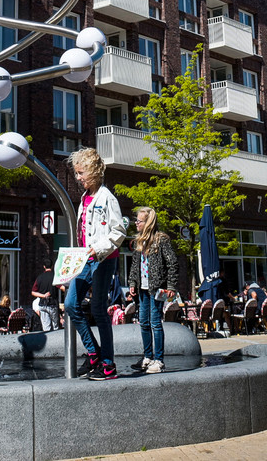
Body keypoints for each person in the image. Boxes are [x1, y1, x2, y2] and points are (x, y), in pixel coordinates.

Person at [66, 148, 128, 381]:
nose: (78, 178)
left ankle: (108, 365)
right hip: (85, 259)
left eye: (81, 173)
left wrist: (98, 249)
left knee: (99, 310)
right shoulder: (84, 199)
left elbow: (119, 231)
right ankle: (94, 353)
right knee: (71, 304)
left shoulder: (107, 197)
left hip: (103, 259)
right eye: (77, 173)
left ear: (93, 171)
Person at [127, 206, 178, 374]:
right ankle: (148, 356)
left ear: (147, 223)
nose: (136, 223)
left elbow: (172, 263)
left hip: (156, 288)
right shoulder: (138, 241)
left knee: (155, 322)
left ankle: (159, 360)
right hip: (142, 289)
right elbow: (135, 265)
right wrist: (132, 282)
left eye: (139, 221)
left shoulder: (161, 240)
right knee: (144, 322)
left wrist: (170, 286)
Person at [32, 262, 58, 331]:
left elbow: (33, 292)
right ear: (52, 266)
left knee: (46, 328)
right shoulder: (55, 277)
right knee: (55, 327)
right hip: (53, 304)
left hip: (42, 304)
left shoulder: (39, 278)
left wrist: (43, 295)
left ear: (44, 266)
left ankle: (49, 340)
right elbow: (61, 287)